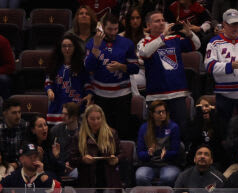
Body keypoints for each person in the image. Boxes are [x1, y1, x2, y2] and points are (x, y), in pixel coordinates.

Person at [137, 10, 201, 134]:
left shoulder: (175, 39)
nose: (161, 23)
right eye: (157, 21)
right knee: (157, 133)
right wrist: (162, 37)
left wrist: (190, 34)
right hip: (156, 96)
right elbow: (144, 53)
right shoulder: (144, 42)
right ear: (148, 26)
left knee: (181, 130)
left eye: (162, 20)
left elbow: (196, 45)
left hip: (177, 93)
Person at [84, 12, 139, 140]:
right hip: (101, 95)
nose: (113, 32)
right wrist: (96, 47)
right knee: (103, 132)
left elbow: (135, 68)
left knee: (123, 130)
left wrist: (122, 67)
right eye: (109, 29)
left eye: (116, 29)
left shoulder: (127, 43)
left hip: (123, 95)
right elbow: (88, 67)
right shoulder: (92, 43)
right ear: (102, 27)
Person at [69, 104, 121, 192]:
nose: (96, 122)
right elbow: (72, 159)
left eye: (98, 118)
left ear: (102, 118)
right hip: (87, 178)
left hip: (108, 177)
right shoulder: (79, 136)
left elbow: (121, 154)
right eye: (92, 119)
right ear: (86, 120)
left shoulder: (111, 133)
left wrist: (116, 159)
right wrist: (83, 160)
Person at [45, 34, 91, 127]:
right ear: (60, 48)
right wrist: (49, 91)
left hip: (76, 104)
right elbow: (48, 81)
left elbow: (87, 83)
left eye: (70, 46)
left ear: (75, 47)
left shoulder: (82, 65)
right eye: (64, 46)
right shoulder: (54, 64)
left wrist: (89, 95)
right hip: (57, 104)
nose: (67, 49)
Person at [135, 100, 182, 186]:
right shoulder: (144, 128)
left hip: (168, 164)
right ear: (152, 114)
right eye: (159, 112)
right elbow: (140, 153)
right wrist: (148, 153)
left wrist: (166, 154)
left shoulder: (173, 127)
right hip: (149, 165)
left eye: (164, 112)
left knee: (168, 177)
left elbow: (177, 151)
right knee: (140, 176)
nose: (162, 114)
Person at [186, 99, 227, 167]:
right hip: (198, 157)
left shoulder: (219, 121)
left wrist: (212, 117)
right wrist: (200, 120)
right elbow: (193, 138)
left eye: (206, 106)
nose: (204, 109)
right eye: (201, 107)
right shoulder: (194, 121)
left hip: (215, 157)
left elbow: (220, 137)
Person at [47, 102, 81, 179]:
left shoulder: (84, 131)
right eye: (62, 113)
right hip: (59, 166)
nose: (63, 116)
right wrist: (62, 165)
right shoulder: (55, 130)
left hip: (78, 167)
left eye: (66, 114)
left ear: (75, 116)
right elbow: (49, 152)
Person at [0, 100, 28, 172]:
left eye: (19, 112)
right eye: (14, 113)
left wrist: (17, 164)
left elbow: (27, 151)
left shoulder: (24, 126)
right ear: (5, 113)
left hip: (20, 166)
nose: (18, 116)